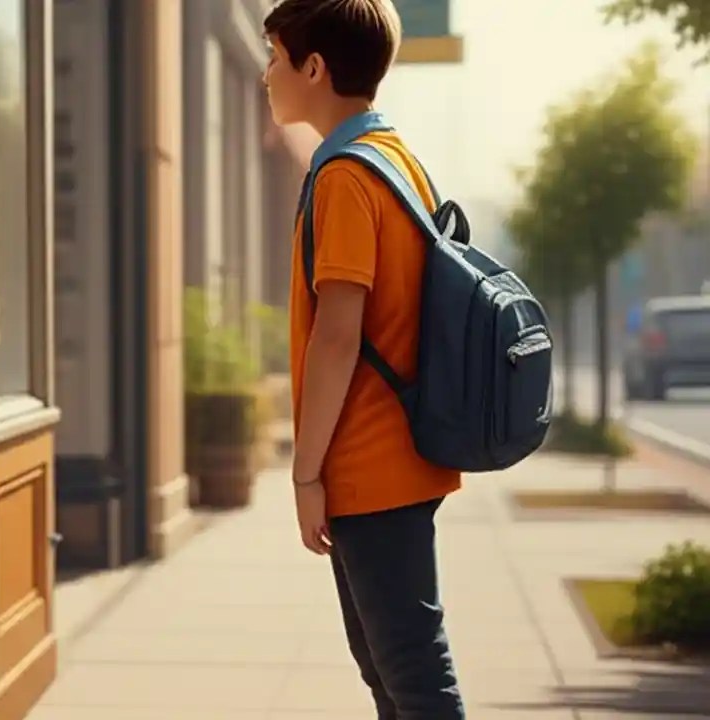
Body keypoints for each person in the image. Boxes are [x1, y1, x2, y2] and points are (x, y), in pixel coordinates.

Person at [261, 1, 466, 717]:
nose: (267, 75)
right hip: (398, 454)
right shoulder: (395, 159)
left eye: (276, 58)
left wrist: (305, 473)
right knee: (392, 673)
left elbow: (338, 336)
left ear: (314, 68)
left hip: (370, 464)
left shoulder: (345, 177)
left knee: (411, 676)